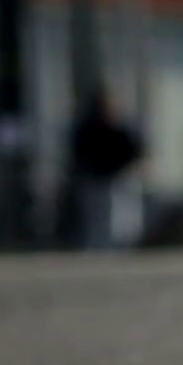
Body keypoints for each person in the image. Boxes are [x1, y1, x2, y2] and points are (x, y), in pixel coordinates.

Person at [69, 89, 144, 251]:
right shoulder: (89, 128)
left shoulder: (120, 128)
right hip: (95, 181)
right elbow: (80, 154)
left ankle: (113, 250)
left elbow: (135, 150)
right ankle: (98, 250)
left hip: (115, 180)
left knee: (118, 222)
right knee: (97, 221)